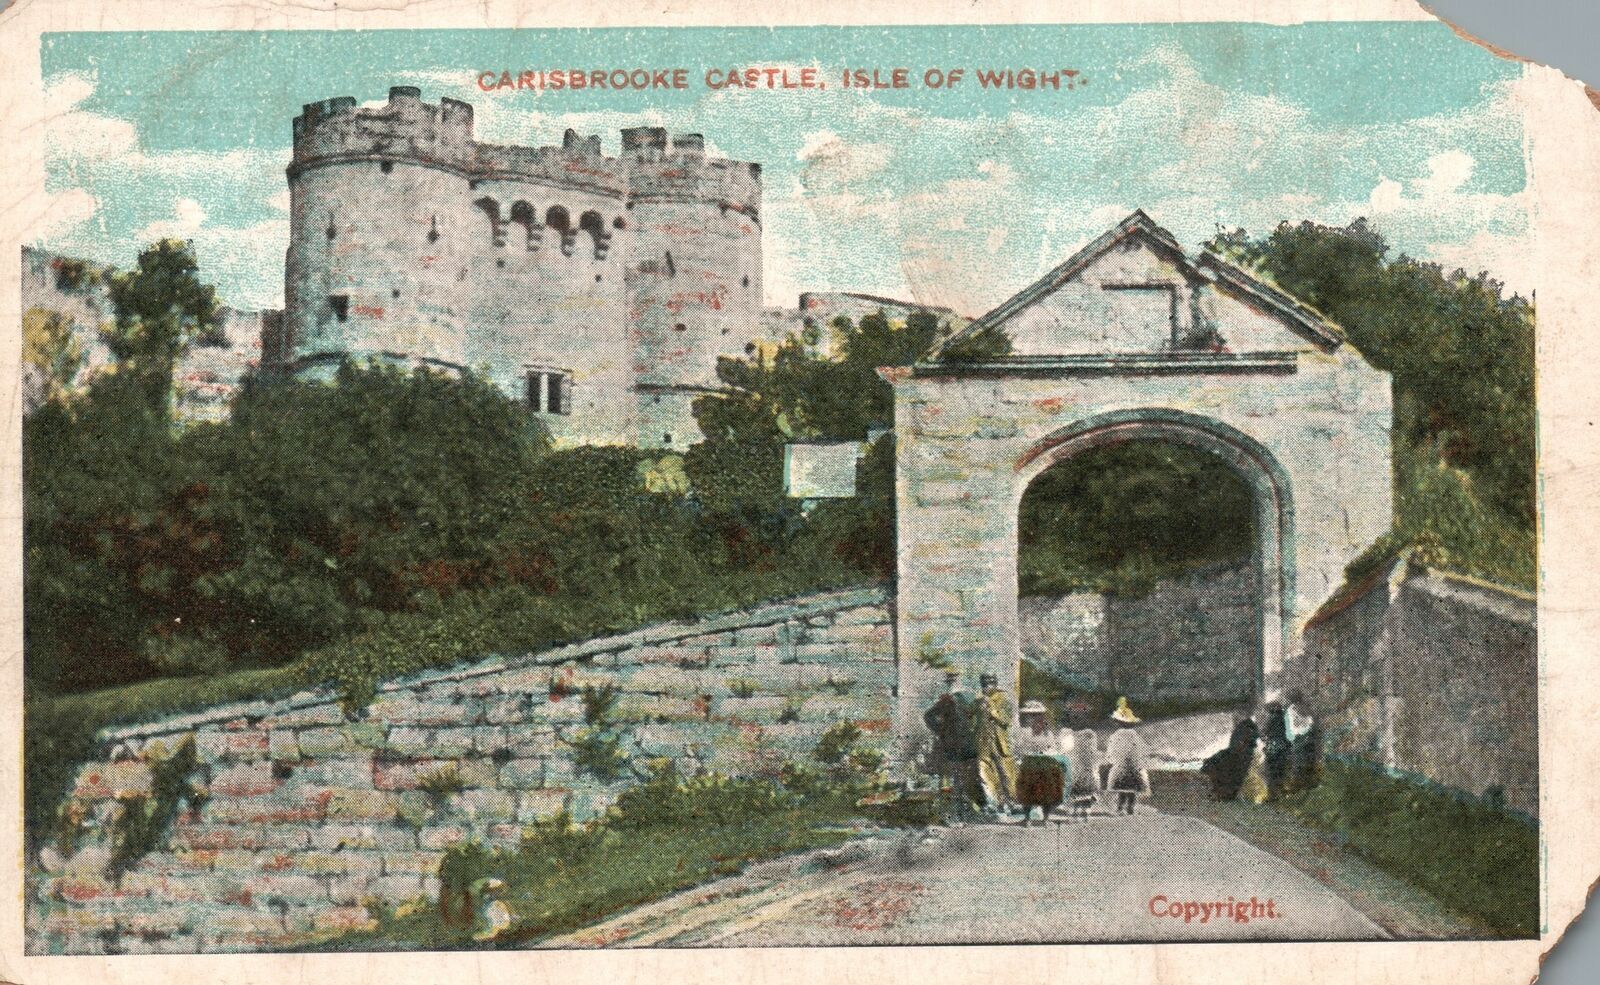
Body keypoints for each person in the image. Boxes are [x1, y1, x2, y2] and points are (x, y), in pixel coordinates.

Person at [922, 671, 980, 816]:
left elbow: (928, 716)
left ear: (949, 683)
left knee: (948, 776)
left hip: (951, 744)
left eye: (949, 682)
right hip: (968, 744)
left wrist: (940, 731)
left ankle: (950, 812)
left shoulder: (947, 699)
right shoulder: (972, 697)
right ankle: (966, 811)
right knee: (965, 777)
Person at [1014, 700, 1072, 825]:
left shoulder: (1022, 732)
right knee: (1046, 791)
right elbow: (1052, 748)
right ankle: (1045, 820)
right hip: (1046, 764)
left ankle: (1027, 819)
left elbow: (1018, 749)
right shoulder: (1047, 732)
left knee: (1028, 791)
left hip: (1029, 764)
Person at [973, 672, 1018, 814]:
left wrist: (994, 713)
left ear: (995, 683)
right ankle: (994, 803)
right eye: (984, 683)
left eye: (990, 682)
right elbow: (973, 721)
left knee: (1005, 773)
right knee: (984, 773)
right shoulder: (978, 701)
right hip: (983, 742)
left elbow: (1007, 721)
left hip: (1000, 743)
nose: (987, 686)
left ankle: (1012, 802)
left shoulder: (1004, 699)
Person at [1103, 697, 1150, 815]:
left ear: (1118, 723)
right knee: (1132, 790)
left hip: (1121, 767)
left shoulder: (1115, 736)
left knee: (1122, 789)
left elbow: (1111, 752)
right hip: (1133, 767)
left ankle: (1119, 808)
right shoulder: (1135, 736)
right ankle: (1130, 808)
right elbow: (1143, 750)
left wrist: (1113, 760)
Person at [1200, 715, 1260, 801]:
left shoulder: (1241, 761)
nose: (1250, 750)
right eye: (1246, 743)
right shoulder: (1221, 758)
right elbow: (1205, 774)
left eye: (1252, 745)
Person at [1286, 691, 1323, 793]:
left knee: (1301, 763)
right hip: (1308, 740)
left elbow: (1299, 727)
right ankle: (1307, 787)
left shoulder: (1296, 710)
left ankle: (1304, 787)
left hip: (1304, 741)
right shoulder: (1306, 708)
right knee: (1307, 762)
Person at [1261, 701, 1292, 801]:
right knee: (1281, 770)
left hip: (1273, 748)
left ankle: (1272, 795)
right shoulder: (1285, 718)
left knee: (1270, 771)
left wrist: (1265, 739)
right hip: (1284, 747)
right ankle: (1281, 793)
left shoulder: (1271, 718)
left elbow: (1263, 733)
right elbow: (1290, 734)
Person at [1069, 728, 1101, 818]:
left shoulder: (1079, 750)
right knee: (1086, 795)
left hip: (1082, 775)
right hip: (1086, 776)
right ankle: (1083, 812)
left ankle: (1078, 812)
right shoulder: (1090, 751)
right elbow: (1095, 762)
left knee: (1080, 794)